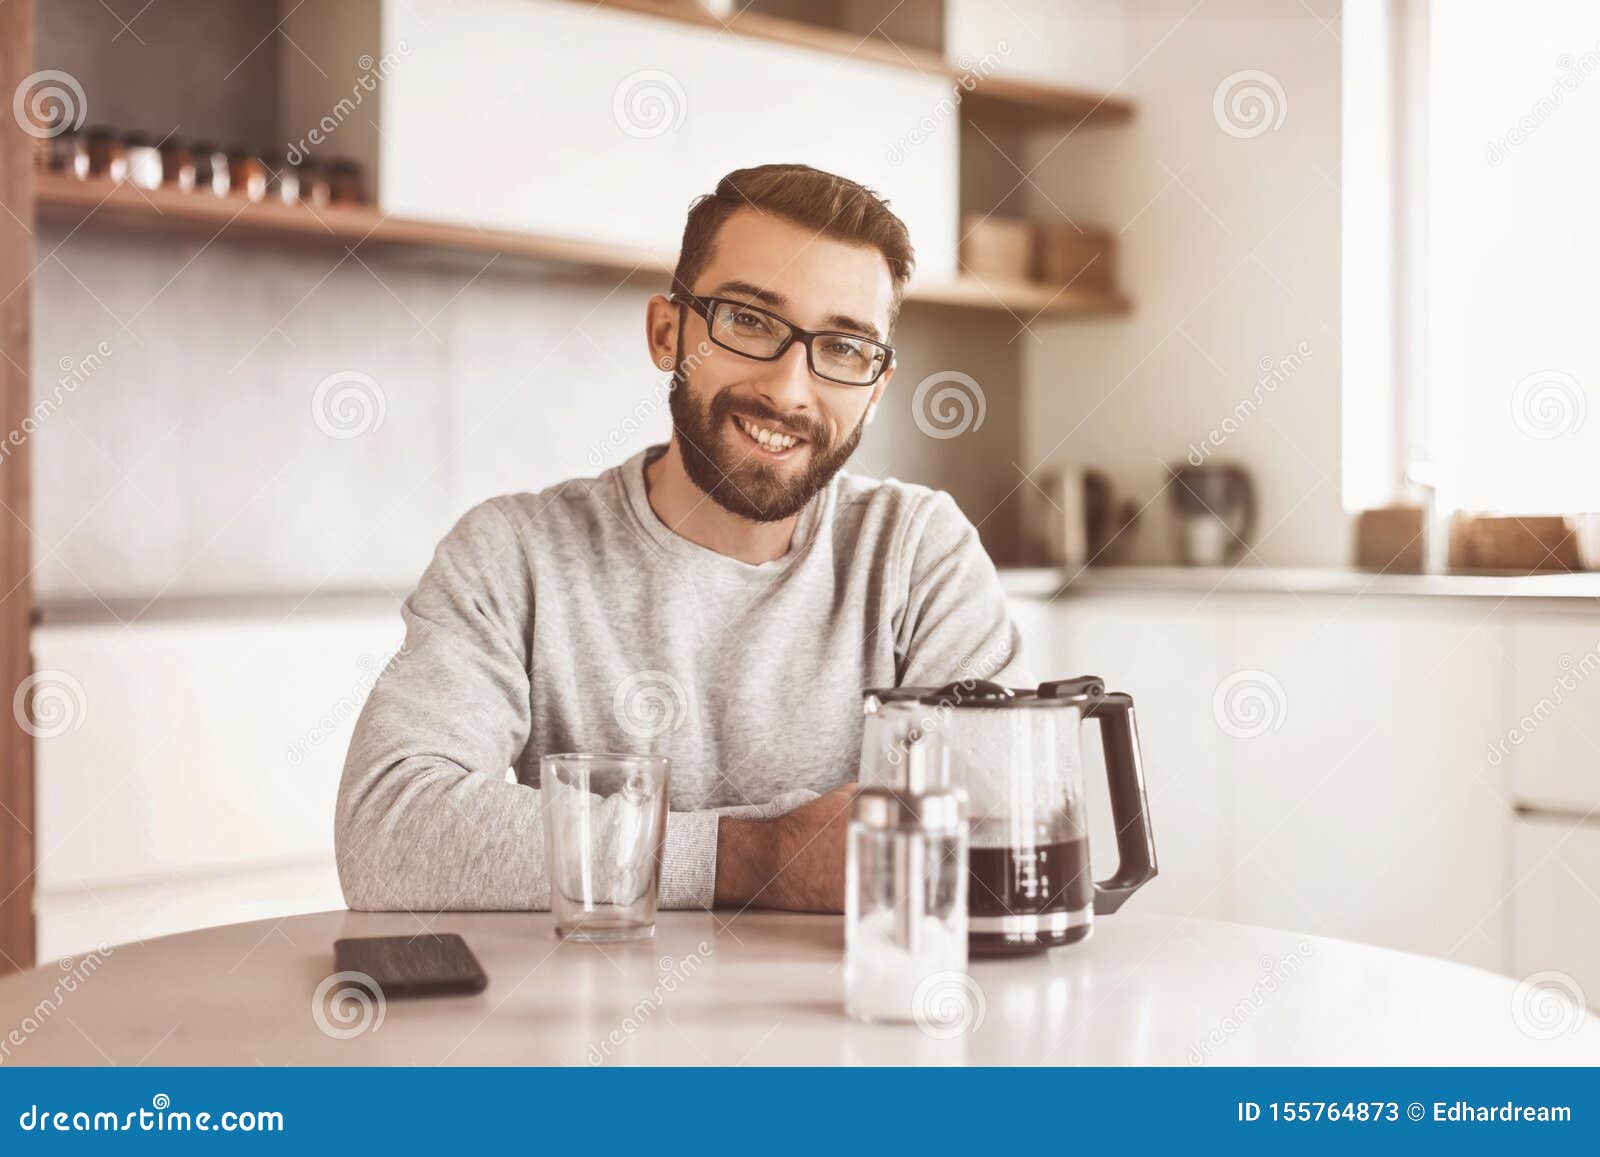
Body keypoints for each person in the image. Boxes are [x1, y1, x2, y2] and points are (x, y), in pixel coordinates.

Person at [335, 163, 1032, 916]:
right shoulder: (515, 555)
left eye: (844, 347)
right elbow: (390, 831)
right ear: (668, 333)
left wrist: (618, 851)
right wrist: (761, 856)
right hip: (593, 1026)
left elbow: (999, 833)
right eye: (749, 320)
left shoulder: (917, 554)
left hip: (855, 1023)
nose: (790, 389)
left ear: (876, 386)